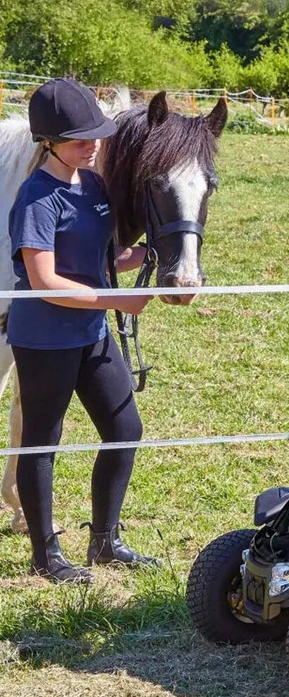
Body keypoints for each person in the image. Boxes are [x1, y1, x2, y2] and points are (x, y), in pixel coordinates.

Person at [7, 78, 158, 585]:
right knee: (41, 443)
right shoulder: (36, 198)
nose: (92, 146)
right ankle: (45, 554)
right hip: (45, 339)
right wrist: (121, 300)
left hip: (90, 333)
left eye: (96, 135)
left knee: (124, 429)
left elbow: (101, 257)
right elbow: (46, 280)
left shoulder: (91, 185)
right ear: (48, 142)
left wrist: (153, 254)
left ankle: (105, 540)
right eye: (79, 140)